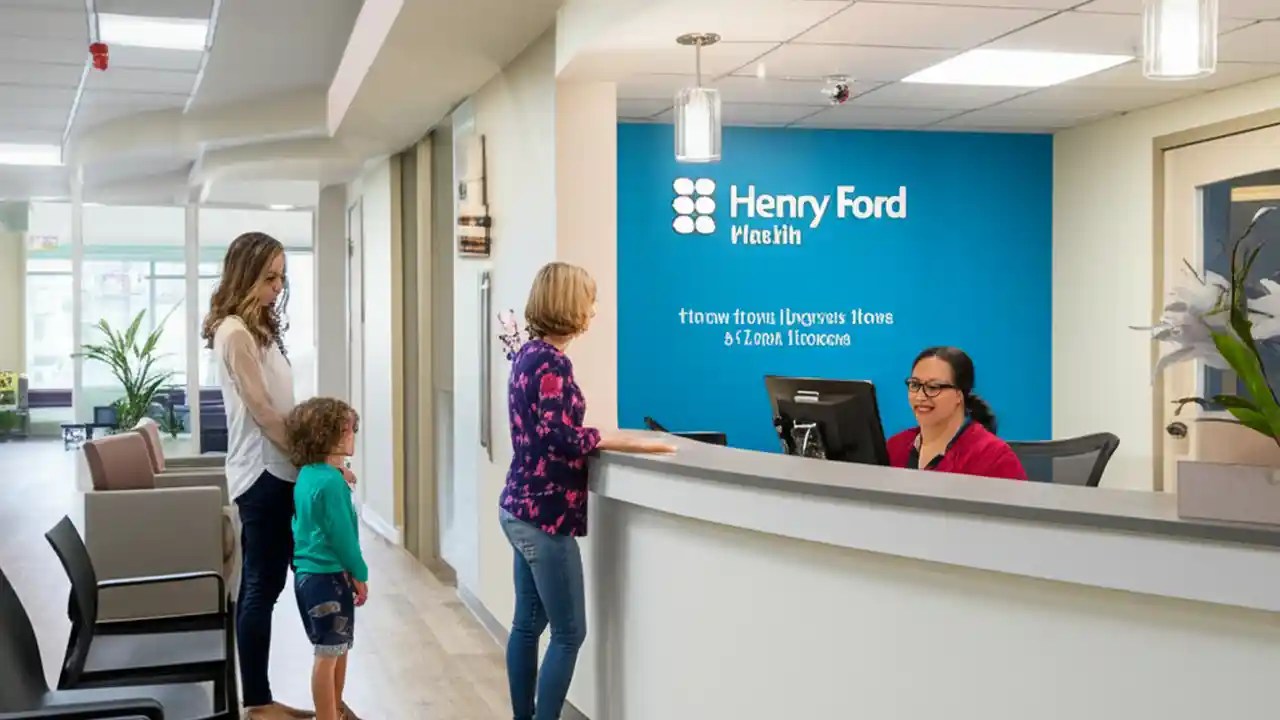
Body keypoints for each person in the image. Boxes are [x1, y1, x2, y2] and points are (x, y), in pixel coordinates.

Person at [499, 262, 675, 720]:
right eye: (589, 301)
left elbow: (542, 428)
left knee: (526, 624)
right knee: (568, 632)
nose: (594, 311)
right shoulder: (553, 362)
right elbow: (559, 435)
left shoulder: (528, 354)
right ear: (568, 306)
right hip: (544, 515)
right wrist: (618, 439)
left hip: (519, 506)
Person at [202, 232, 313, 720]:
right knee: (260, 589)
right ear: (243, 274)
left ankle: (276, 698)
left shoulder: (256, 330)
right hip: (264, 473)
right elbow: (265, 412)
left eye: (281, 277)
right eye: (269, 277)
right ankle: (259, 704)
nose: (276, 287)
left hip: (279, 469)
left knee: (276, 584)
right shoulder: (234, 333)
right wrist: (312, 456)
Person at [287, 398, 367, 720]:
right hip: (327, 579)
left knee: (336, 647)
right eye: (347, 429)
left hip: (309, 576)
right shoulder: (331, 483)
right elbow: (343, 536)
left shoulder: (309, 474)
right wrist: (359, 572)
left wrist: (339, 473)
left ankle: (335, 708)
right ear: (326, 434)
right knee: (328, 654)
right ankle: (327, 715)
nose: (353, 434)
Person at [886, 346, 1027, 481]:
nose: (920, 397)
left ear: (959, 395)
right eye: (915, 385)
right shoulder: (895, 447)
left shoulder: (994, 458)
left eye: (933, 387)